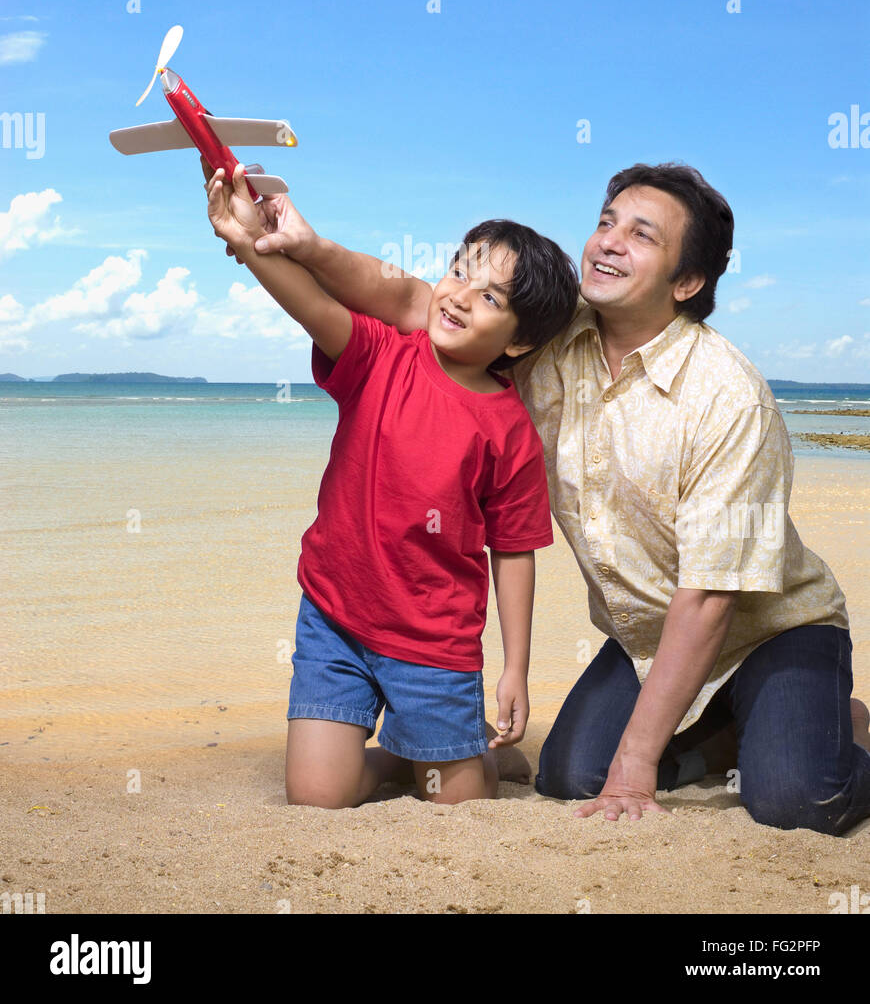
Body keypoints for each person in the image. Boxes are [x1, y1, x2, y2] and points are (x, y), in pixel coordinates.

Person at [240, 160, 870, 836]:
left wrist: (636, 762)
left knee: (796, 801)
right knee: (568, 776)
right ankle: (725, 735)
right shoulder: (554, 332)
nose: (607, 241)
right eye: (606, 222)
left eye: (641, 235)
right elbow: (411, 302)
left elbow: (711, 600)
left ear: (687, 281)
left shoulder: (730, 399)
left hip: (770, 630)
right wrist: (305, 248)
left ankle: (830, 723)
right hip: (649, 637)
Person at [204, 160, 580, 807]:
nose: (460, 294)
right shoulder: (380, 355)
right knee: (318, 797)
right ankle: (392, 762)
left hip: (434, 642)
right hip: (336, 617)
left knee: (461, 802)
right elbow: (316, 303)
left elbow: (514, 549)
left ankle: (483, 759)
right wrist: (248, 243)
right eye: (460, 271)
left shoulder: (511, 431)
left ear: (517, 344)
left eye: (490, 297)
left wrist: (516, 665)